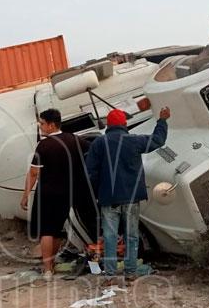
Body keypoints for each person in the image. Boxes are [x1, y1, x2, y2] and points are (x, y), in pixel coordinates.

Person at [85, 107, 171, 279]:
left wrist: (98, 192)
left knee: (110, 237)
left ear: (108, 125)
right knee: (131, 235)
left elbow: (90, 172)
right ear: (124, 124)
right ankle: (130, 272)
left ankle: (109, 275)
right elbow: (158, 140)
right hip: (132, 197)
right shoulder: (133, 141)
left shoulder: (99, 143)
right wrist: (162, 121)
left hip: (108, 198)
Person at [20, 109, 96, 282]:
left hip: (48, 193)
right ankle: (52, 264)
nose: (40, 126)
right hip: (70, 192)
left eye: (42, 123)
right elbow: (92, 154)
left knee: (47, 231)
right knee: (57, 230)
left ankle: (47, 270)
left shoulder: (44, 145)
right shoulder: (75, 140)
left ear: (51, 124)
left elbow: (33, 173)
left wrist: (25, 195)